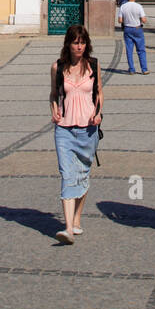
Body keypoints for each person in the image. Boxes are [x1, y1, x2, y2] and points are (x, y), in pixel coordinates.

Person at [49, 25, 103, 244]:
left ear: (86, 44)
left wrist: (98, 113)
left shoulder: (94, 66)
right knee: (67, 174)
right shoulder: (57, 67)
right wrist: (53, 107)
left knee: (82, 172)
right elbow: (53, 93)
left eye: (82, 42)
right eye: (75, 42)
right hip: (64, 129)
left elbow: (99, 92)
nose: (78, 46)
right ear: (68, 44)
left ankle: (77, 218)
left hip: (88, 129)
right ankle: (68, 228)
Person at [117, 0, 149, 74]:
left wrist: (126, 19)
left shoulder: (123, 6)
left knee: (129, 50)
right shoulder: (139, 6)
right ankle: (144, 69)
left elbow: (120, 20)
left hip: (127, 29)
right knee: (141, 50)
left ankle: (131, 69)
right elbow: (144, 20)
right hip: (137, 29)